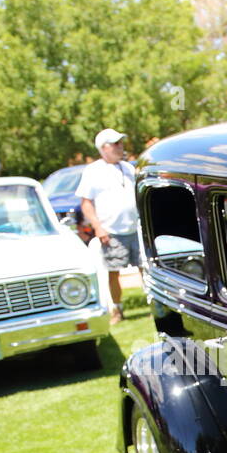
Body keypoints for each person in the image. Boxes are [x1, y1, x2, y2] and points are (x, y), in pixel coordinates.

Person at [77, 128, 139, 324]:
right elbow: (86, 203)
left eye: (121, 143)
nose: (120, 147)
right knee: (114, 272)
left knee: (146, 268)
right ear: (103, 148)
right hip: (112, 231)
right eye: (116, 144)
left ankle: (158, 307)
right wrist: (98, 227)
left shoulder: (128, 168)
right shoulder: (93, 171)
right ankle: (118, 311)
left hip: (135, 228)